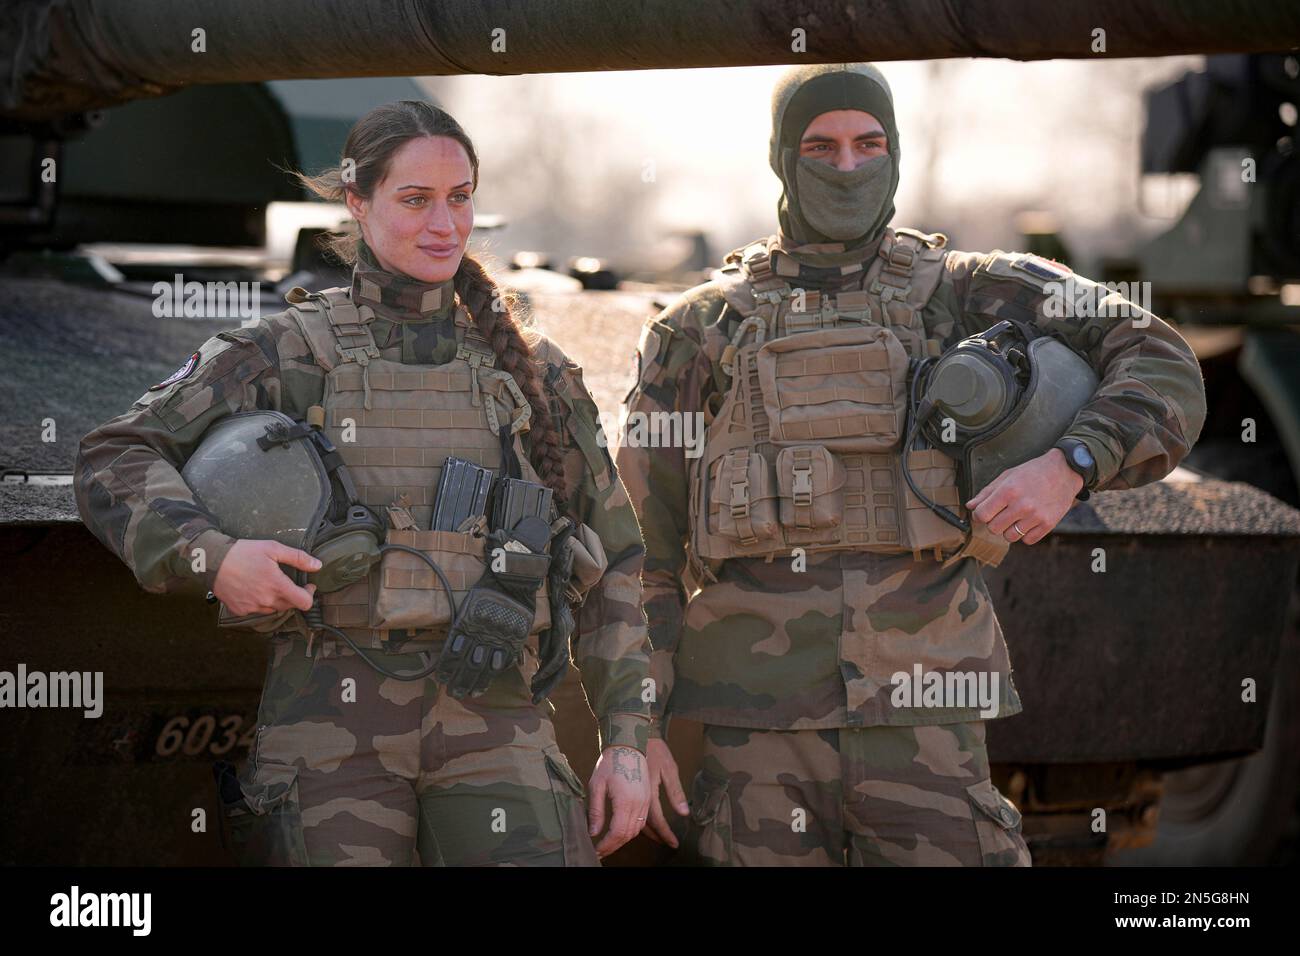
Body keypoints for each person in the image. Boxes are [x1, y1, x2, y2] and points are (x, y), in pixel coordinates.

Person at [617, 63, 1207, 866]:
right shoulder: (701, 330)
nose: (849, 166)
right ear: (782, 160)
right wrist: (634, 731)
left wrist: (1071, 464)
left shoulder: (968, 292)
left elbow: (1161, 359)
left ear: (894, 152)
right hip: (756, 744)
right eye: (821, 147)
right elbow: (639, 555)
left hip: (927, 721)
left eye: (871, 143)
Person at [74, 101, 653, 866]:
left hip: (497, 718)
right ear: (357, 201)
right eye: (415, 199)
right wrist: (212, 557)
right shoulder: (284, 353)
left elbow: (612, 563)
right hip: (329, 728)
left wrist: (629, 742)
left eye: (460, 197)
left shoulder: (535, 371)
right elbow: (113, 455)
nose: (444, 223)